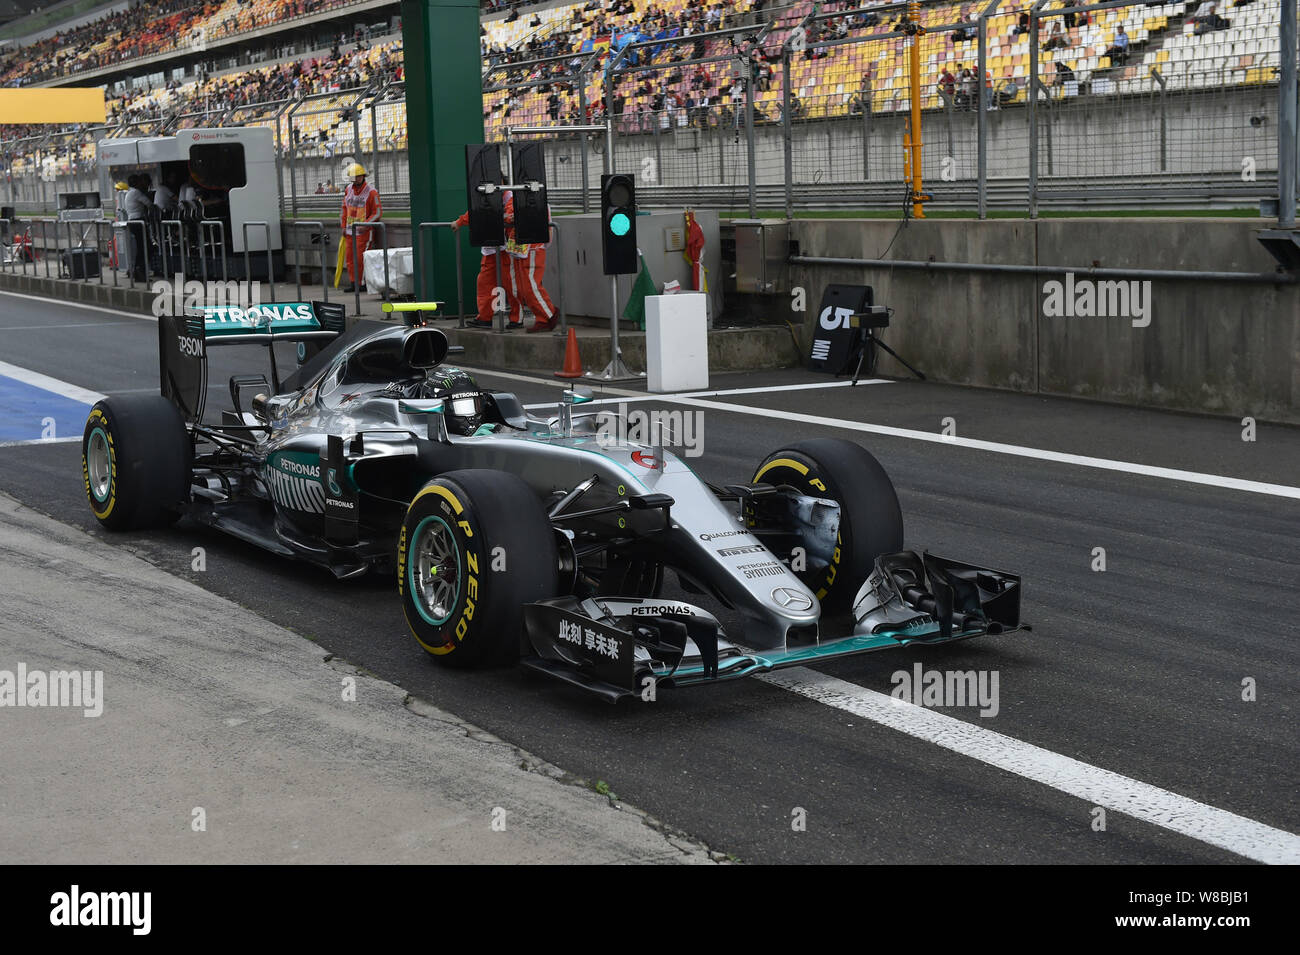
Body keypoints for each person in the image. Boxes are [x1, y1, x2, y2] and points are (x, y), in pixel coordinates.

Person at [452, 191, 520, 329]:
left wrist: (460, 221)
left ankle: (516, 318)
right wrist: (460, 221)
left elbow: (509, 215)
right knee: (485, 284)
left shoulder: (509, 197)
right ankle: (484, 318)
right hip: (491, 248)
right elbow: (476, 212)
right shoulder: (485, 197)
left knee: (510, 285)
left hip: (505, 249)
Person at [340, 162, 381, 293]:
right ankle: (353, 283)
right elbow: (344, 209)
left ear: (363, 176)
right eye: (353, 177)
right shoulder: (348, 190)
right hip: (349, 231)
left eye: (358, 176)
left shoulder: (372, 192)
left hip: (364, 232)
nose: (356, 179)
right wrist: (343, 225)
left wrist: (367, 225)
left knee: (360, 259)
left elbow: (378, 212)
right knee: (350, 259)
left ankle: (362, 283)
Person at [123, 174, 155, 282]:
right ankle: (139, 271)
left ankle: (137, 271)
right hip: (138, 222)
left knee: (141, 247)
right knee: (146, 248)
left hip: (132, 221)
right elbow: (149, 203)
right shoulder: (136, 192)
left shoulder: (129, 193)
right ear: (137, 183)